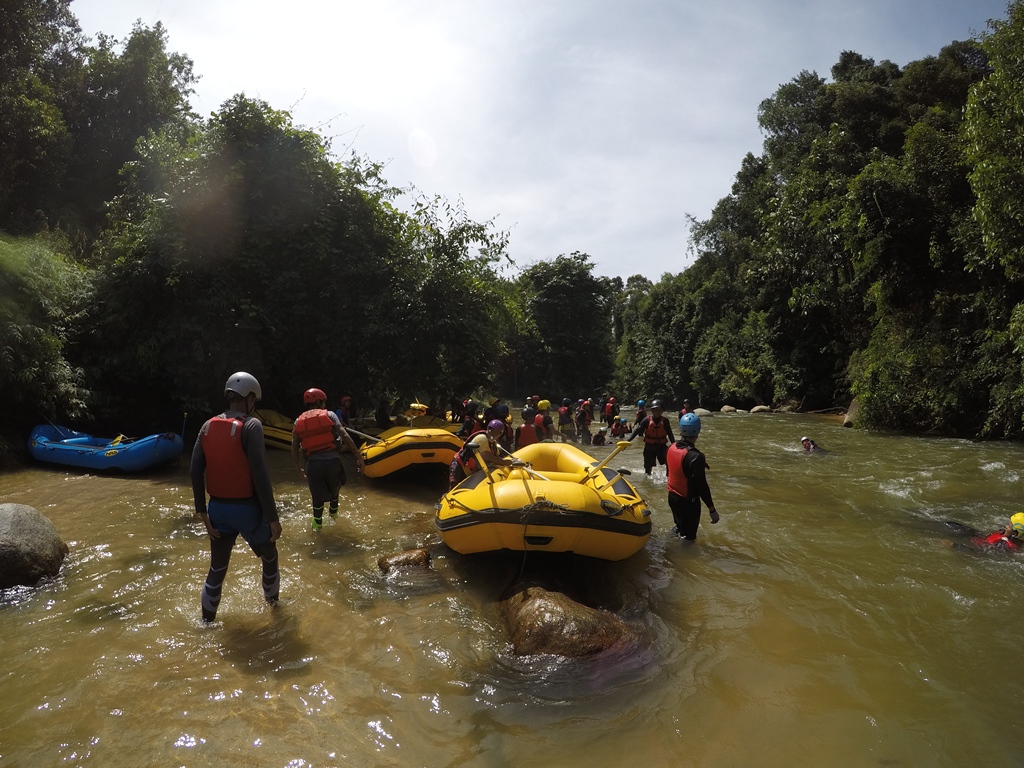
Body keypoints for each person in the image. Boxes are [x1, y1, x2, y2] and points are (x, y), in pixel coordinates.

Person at [190, 371, 282, 623]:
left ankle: (206, 623)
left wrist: (202, 512)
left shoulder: (206, 426)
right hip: (248, 510)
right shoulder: (252, 426)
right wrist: (273, 518)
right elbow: (260, 475)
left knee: (216, 570)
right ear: (250, 397)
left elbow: (195, 470)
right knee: (270, 556)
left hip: (217, 510)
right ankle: (274, 608)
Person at [292, 388, 363, 531]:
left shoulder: (298, 421)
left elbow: (294, 446)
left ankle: (317, 528)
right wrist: (359, 456)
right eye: (323, 401)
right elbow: (344, 435)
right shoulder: (330, 415)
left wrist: (297, 466)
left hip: (313, 466)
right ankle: (334, 519)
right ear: (319, 402)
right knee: (335, 492)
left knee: (317, 501)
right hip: (332, 463)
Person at [666, 413, 719, 542]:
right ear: (698, 431)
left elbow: (669, 471)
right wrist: (712, 509)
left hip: (672, 497)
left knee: (679, 528)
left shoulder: (671, 448)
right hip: (688, 502)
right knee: (689, 539)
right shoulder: (696, 457)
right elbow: (702, 486)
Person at [450, 419, 517, 487]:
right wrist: (505, 462)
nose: (495, 434)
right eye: (493, 431)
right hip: (460, 465)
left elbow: (497, 456)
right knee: (454, 484)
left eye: (498, 433)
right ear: (488, 428)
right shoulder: (482, 438)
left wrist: (509, 461)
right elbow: (488, 457)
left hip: (471, 468)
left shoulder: (493, 443)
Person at [629, 398, 675, 476]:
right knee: (648, 465)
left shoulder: (665, 421)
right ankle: (647, 478)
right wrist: (628, 440)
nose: (657, 412)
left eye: (659, 410)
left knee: (668, 461)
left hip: (661, 445)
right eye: (655, 410)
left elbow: (670, 433)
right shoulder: (646, 420)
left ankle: (668, 477)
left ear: (662, 410)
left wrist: (674, 445)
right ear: (652, 411)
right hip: (649, 446)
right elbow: (637, 430)